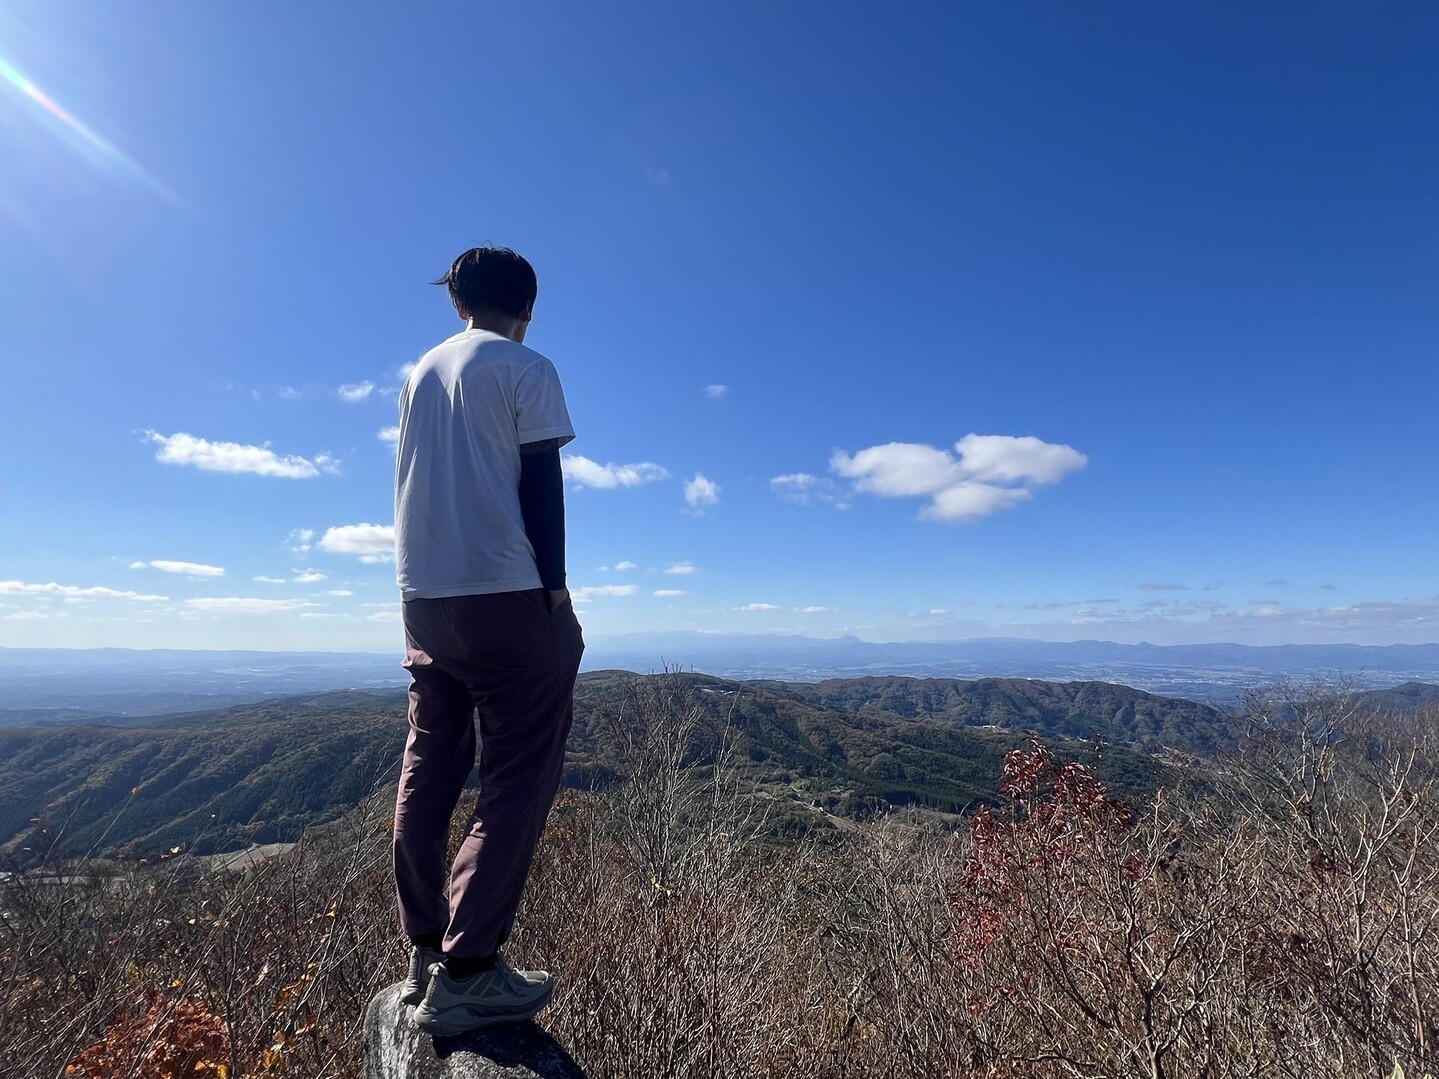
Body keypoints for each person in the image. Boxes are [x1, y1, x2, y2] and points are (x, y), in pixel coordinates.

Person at [390, 246, 583, 1035]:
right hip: (504, 591)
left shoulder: (419, 373)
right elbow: (540, 485)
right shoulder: (524, 366)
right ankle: (469, 969)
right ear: (527, 306)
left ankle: (424, 944)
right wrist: (555, 592)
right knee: (520, 769)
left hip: (421, 596)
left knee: (429, 759)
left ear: (457, 302)